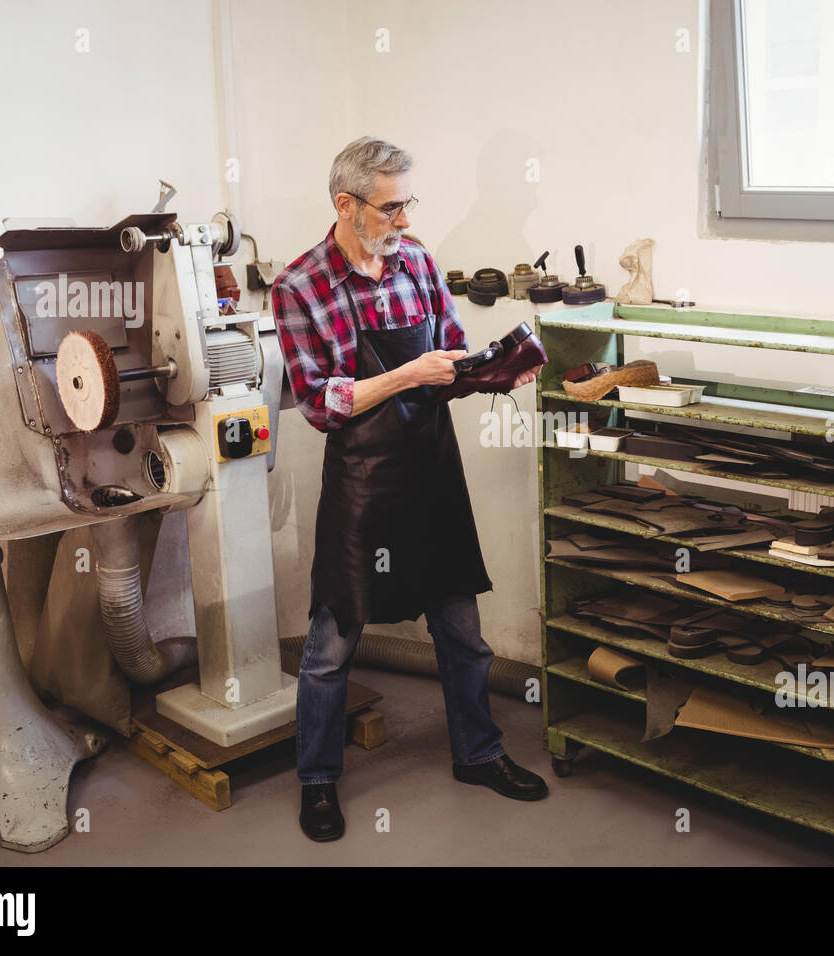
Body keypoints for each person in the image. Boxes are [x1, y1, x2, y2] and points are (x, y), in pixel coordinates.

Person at [271, 136, 549, 843]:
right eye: (390, 207)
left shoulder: (418, 261)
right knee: (332, 645)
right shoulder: (300, 285)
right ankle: (318, 780)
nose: (401, 220)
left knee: (462, 634)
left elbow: (447, 351)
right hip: (365, 484)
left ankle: (479, 753)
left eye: (406, 204)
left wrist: (490, 368)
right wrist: (405, 377)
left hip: (430, 470)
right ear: (346, 204)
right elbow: (320, 403)